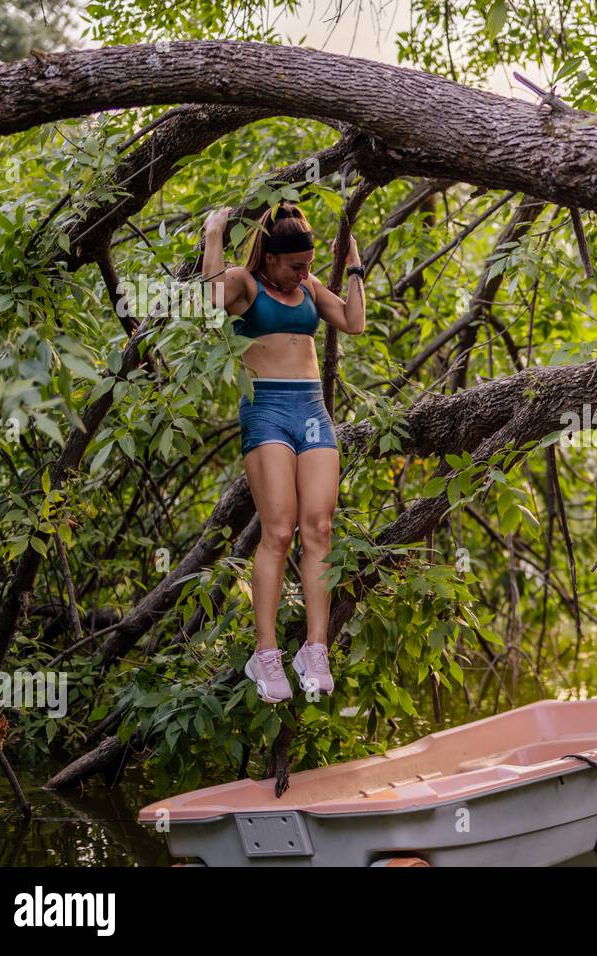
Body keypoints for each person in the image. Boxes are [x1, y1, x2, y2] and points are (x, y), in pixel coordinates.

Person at [201, 202, 366, 703]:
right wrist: (214, 232)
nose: (305, 272)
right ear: (270, 259)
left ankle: (314, 649)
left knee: (319, 528)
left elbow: (354, 321)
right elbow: (208, 305)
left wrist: (353, 259)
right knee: (277, 530)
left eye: (310, 263)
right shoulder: (244, 285)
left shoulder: (311, 289)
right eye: (295, 265)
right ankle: (266, 652)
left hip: (312, 410)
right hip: (266, 408)